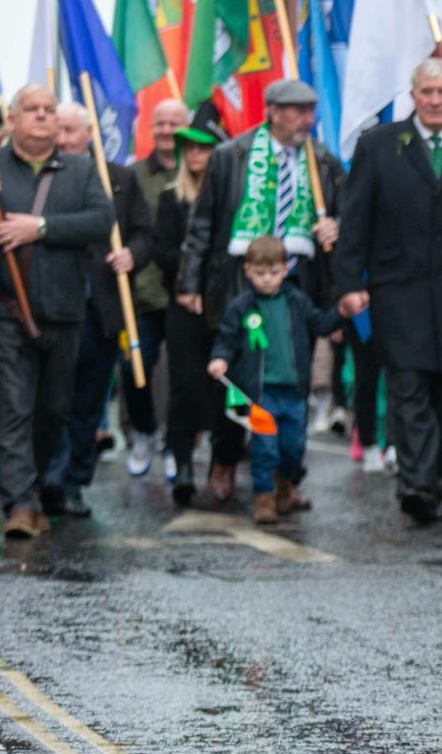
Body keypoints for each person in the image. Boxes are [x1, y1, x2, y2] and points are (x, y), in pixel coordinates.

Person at [177, 79, 344, 509]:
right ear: (272, 110)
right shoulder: (230, 155)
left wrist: (335, 228)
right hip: (240, 277)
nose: (306, 119)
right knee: (238, 377)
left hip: (298, 281)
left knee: (291, 377)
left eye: (311, 110)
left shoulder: (322, 159)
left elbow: (344, 217)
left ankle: (286, 479)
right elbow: (203, 224)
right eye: (296, 110)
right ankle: (226, 459)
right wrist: (191, 283)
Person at [336, 58, 442, 525]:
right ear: (413, 94)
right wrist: (349, 283)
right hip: (397, 289)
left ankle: (428, 474)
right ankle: (418, 484)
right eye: (427, 92)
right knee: (408, 383)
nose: (436, 101)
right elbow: (354, 219)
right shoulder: (379, 145)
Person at [0, 86, 115, 538]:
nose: (41, 116)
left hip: (64, 310)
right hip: (6, 309)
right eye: (31, 109)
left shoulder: (79, 169)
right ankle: (19, 501)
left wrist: (39, 227)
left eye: (48, 110)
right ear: (12, 120)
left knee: (54, 409)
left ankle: (30, 486)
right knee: (15, 406)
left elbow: (101, 221)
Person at [51, 101, 155, 518]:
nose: (62, 139)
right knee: (54, 401)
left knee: (89, 404)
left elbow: (146, 236)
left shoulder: (121, 180)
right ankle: (47, 480)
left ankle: (74, 482)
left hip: (103, 313)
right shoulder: (45, 178)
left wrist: (133, 254)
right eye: (57, 131)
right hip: (55, 309)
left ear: (87, 134)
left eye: (70, 131)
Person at [206, 235, 343, 525]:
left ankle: (285, 487)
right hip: (261, 392)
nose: (267, 279)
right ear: (248, 271)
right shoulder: (241, 306)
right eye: (260, 273)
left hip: (294, 391)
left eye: (273, 273)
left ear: (285, 269)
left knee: (293, 447)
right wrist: (220, 358)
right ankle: (264, 498)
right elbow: (227, 338)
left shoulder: (296, 301)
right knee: (264, 447)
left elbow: (319, 324)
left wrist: (340, 313)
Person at [154, 108, 228, 504]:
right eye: (190, 148)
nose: (196, 155)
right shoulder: (172, 198)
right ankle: (181, 463)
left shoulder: (229, 197)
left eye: (204, 148)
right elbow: (162, 250)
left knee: (223, 386)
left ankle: (222, 463)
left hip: (222, 306)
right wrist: (188, 282)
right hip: (182, 305)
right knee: (184, 387)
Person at [121, 97, 188, 477]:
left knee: (183, 375)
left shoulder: (199, 168)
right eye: (159, 123)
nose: (166, 130)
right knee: (134, 367)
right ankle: (144, 431)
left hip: (184, 295)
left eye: (173, 123)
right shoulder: (134, 175)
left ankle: (174, 446)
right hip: (141, 295)